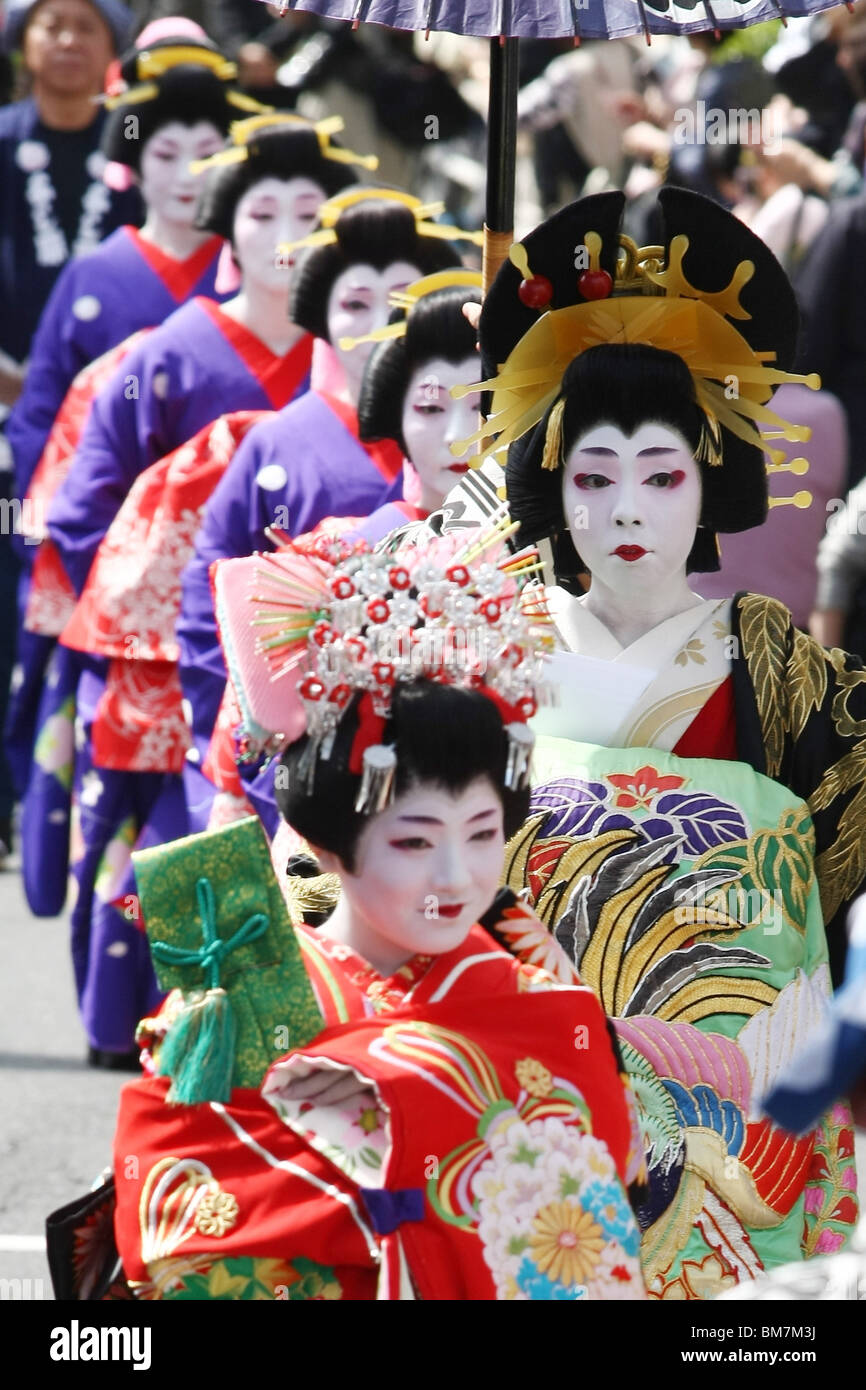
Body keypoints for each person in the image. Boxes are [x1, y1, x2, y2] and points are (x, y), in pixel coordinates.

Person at [440, 186, 863, 1297]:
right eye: (592, 478)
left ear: (708, 483)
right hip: (524, 1074)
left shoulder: (789, 682)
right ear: (551, 488)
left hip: (740, 1104)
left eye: (660, 476)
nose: (626, 509)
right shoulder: (487, 660)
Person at [97, 527, 646, 1301]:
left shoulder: (553, 1017)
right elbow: (181, 1223)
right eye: (415, 840)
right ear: (329, 842)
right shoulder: (242, 1001)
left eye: (483, 833)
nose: (457, 876)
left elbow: (597, 1247)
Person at [41, 116, 374, 1067]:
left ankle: (278, 1037)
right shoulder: (165, 352)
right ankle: (148, 1035)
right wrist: (144, 594)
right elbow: (87, 496)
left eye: (311, 212)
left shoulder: (357, 366)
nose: (288, 231)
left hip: (319, 637)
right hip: (164, 633)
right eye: (263, 211)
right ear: (227, 231)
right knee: (165, 842)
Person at [2, 28, 252, 843]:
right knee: (131, 826)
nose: (186, 174)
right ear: (132, 162)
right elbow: (43, 419)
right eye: (167, 151)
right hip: (121, 578)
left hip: (250, 575)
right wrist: (74, 548)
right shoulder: (96, 278)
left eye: (209, 153)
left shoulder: (258, 286)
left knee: (233, 797)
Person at [176, 189, 481, 837]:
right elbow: (253, 683)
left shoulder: (539, 550)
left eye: (480, 407)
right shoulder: (318, 530)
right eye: (354, 303)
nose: (456, 434)